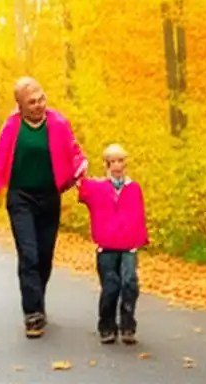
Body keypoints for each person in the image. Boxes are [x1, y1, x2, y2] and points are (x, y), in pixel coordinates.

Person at [0, 77, 87, 338]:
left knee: (44, 255)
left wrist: (80, 167)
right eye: (32, 102)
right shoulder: (12, 126)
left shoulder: (58, 122)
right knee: (28, 254)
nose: (39, 105)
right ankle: (33, 312)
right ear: (19, 105)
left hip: (50, 195)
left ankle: (37, 298)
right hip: (21, 198)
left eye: (42, 99)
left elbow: (73, 151)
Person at [77, 143, 149, 345]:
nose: (116, 165)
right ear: (106, 165)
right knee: (110, 286)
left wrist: (140, 239)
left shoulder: (133, 188)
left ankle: (128, 325)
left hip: (128, 246)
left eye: (120, 161)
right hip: (106, 246)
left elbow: (139, 215)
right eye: (112, 162)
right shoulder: (97, 188)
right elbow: (79, 185)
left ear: (125, 163)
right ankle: (107, 326)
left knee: (129, 284)